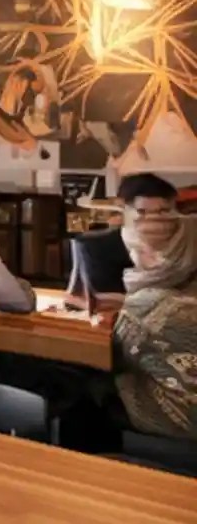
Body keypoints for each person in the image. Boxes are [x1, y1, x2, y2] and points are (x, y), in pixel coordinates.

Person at [108, 172, 197, 441]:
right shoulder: (115, 247)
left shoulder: (191, 237)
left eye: (163, 211)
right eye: (144, 213)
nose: (155, 222)